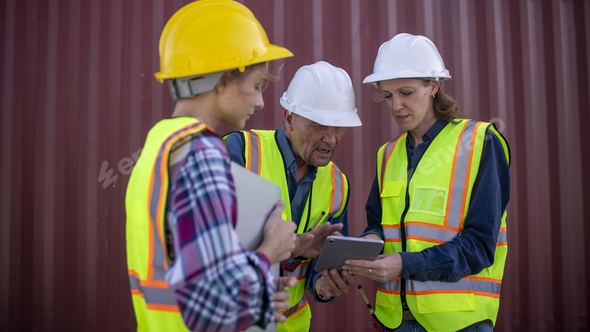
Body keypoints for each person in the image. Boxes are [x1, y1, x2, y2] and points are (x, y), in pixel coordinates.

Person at [125, 1, 299, 331]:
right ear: (224, 79)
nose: (261, 101)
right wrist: (269, 252)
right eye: (258, 85)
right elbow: (215, 304)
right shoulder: (201, 152)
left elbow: (183, 280)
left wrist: (258, 292)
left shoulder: (159, 144)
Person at [342, 33, 511, 332]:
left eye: (406, 92)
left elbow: (480, 246)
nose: (396, 106)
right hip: (395, 321)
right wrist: (370, 242)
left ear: (433, 86)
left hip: (460, 323)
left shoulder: (480, 142)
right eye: (388, 95)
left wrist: (404, 264)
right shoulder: (388, 154)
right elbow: (378, 224)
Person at [224, 61, 362, 332]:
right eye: (320, 125)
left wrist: (324, 286)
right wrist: (290, 248)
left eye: (339, 128)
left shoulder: (338, 185)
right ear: (289, 118)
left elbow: (316, 271)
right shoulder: (240, 153)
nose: (331, 139)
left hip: (292, 324)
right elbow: (210, 248)